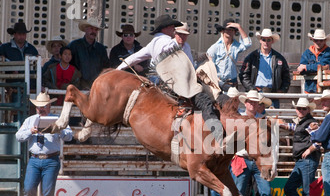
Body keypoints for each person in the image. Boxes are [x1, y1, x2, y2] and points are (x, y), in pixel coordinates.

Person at [117, 14, 228, 149]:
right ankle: (218, 136)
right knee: (205, 101)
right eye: (176, 30)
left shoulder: (155, 44)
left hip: (164, 84)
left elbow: (134, 58)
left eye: (183, 33)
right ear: (168, 28)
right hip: (176, 86)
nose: (180, 35)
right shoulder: (171, 43)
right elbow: (188, 68)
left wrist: (116, 70)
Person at [16, 92, 73, 196]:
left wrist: (59, 131)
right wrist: (30, 131)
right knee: (28, 189)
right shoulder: (30, 120)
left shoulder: (58, 119)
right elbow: (18, 136)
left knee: (47, 193)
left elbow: (69, 136)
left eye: (43, 106)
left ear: (49, 106)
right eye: (38, 107)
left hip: (51, 160)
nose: (40, 109)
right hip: (35, 159)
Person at [230, 90, 281, 196]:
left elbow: (272, 144)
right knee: (238, 192)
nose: (252, 104)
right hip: (243, 158)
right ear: (245, 103)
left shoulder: (265, 121)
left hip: (260, 159)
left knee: (265, 192)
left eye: (255, 102)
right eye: (250, 102)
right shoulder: (239, 119)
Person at [280, 97, 320, 196]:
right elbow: (296, 128)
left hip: (306, 160)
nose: (301, 110)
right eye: (299, 108)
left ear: (308, 110)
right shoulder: (304, 123)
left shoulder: (309, 123)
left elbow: (318, 140)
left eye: (303, 108)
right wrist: (281, 124)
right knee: (295, 189)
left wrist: (309, 150)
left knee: (305, 191)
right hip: (302, 160)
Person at [239, 28, 290, 108]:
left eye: (268, 40)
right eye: (264, 40)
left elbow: (286, 76)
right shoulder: (252, 57)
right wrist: (252, 89)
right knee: (255, 118)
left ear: (272, 41)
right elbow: (243, 75)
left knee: (272, 119)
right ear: (260, 41)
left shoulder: (279, 58)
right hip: (256, 94)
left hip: (272, 94)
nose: (266, 42)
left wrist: (282, 90)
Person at [207, 18, 252, 91]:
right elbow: (209, 64)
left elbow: (248, 44)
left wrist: (239, 27)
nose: (229, 32)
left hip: (232, 83)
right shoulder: (215, 47)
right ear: (223, 31)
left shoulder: (236, 46)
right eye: (227, 29)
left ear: (234, 32)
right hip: (218, 83)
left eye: (232, 30)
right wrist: (216, 79)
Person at [68, 18, 109, 89]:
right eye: (91, 28)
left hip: (96, 87)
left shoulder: (101, 48)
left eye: (96, 29)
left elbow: (106, 68)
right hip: (77, 86)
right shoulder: (74, 45)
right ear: (85, 29)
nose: (94, 31)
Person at [297, 29, 330, 93]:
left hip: (325, 90)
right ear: (313, 40)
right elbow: (301, 69)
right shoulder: (307, 52)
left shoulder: (329, 52)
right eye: (316, 40)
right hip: (309, 90)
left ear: (325, 41)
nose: (318, 42)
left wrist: (306, 67)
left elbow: (323, 66)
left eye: (321, 40)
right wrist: (313, 68)